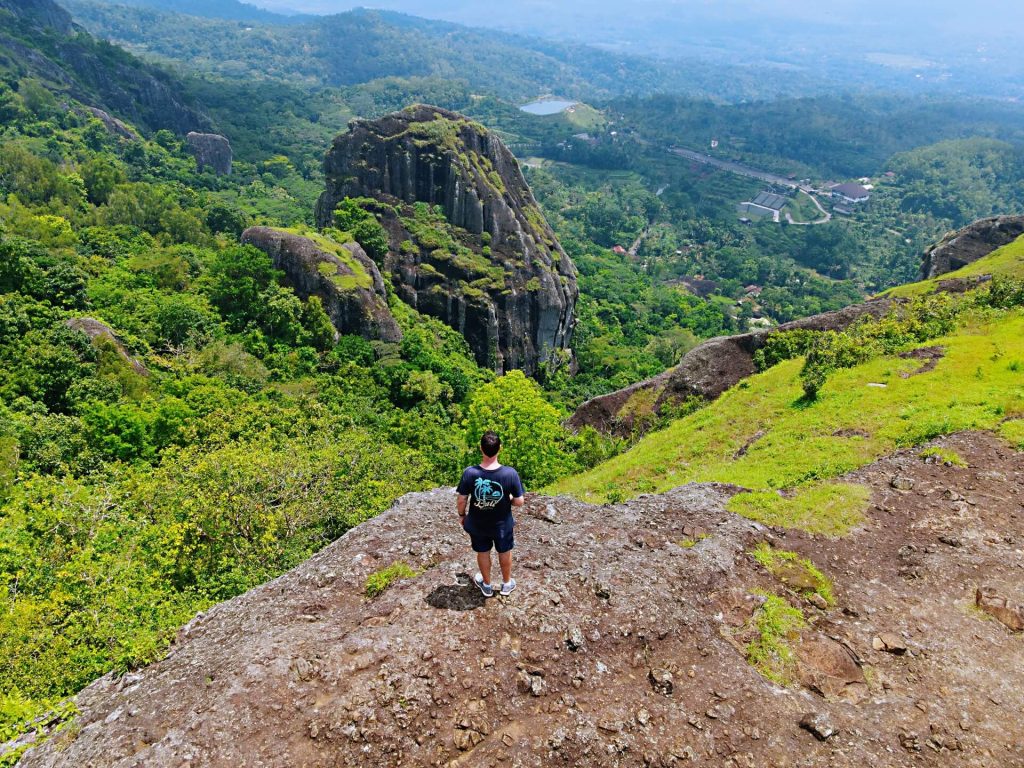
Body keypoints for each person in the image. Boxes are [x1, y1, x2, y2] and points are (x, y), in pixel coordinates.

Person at [456, 431, 525, 597]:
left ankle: (486, 585)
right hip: (502, 524)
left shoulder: (470, 473)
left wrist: (462, 515)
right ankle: (506, 584)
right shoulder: (510, 473)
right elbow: (519, 501)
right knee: (505, 551)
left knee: (483, 552)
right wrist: (507, 500)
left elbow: (462, 499)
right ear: (500, 448)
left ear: (481, 448)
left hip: (478, 524)